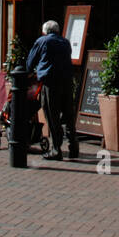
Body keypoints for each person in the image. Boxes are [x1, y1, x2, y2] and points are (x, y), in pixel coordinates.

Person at [26, 20, 75, 160]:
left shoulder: (42, 41)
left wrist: (29, 72)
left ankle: (56, 149)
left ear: (45, 31)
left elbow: (30, 61)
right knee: (68, 115)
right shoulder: (65, 42)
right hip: (67, 81)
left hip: (50, 82)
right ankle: (73, 147)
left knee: (52, 115)